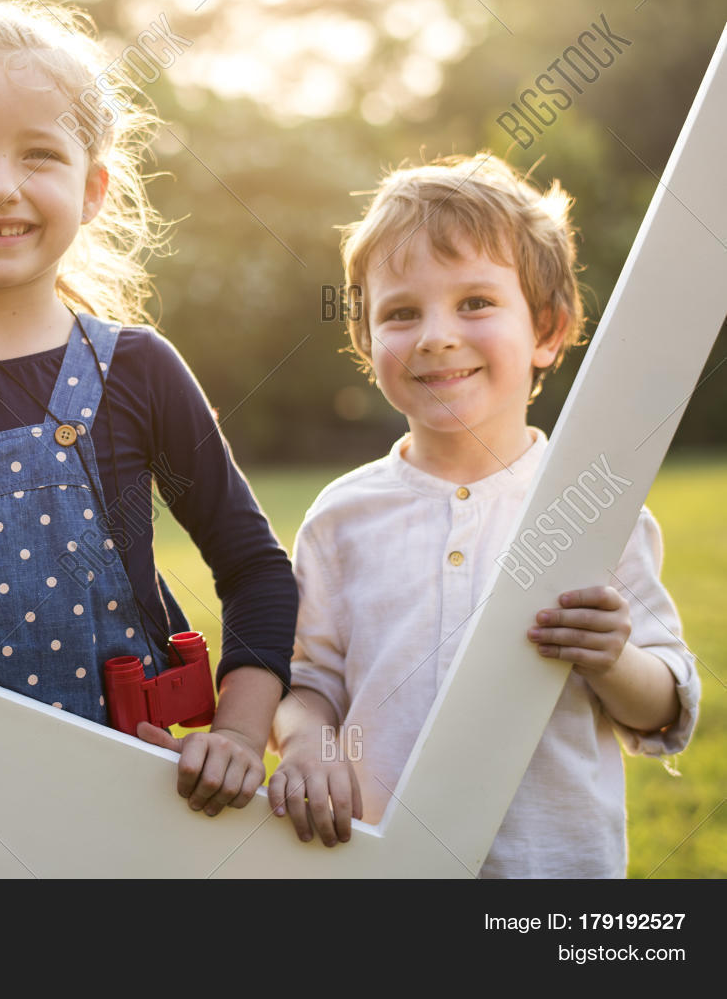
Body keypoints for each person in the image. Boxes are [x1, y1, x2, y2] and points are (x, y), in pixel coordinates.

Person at [0, 0, 299, 817]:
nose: (1, 186)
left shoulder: (138, 369)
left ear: (93, 189)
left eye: (40, 154)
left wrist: (240, 733)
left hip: (126, 804)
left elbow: (254, 568)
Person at [269, 153, 699, 876]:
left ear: (548, 330)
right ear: (367, 342)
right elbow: (310, 682)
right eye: (402, 312)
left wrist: (614, 659)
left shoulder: (597, 508)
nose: (436, 335)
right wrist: (309, 743)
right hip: (387, 871)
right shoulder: (342, 519)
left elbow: (664, 705)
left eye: (474, 302)